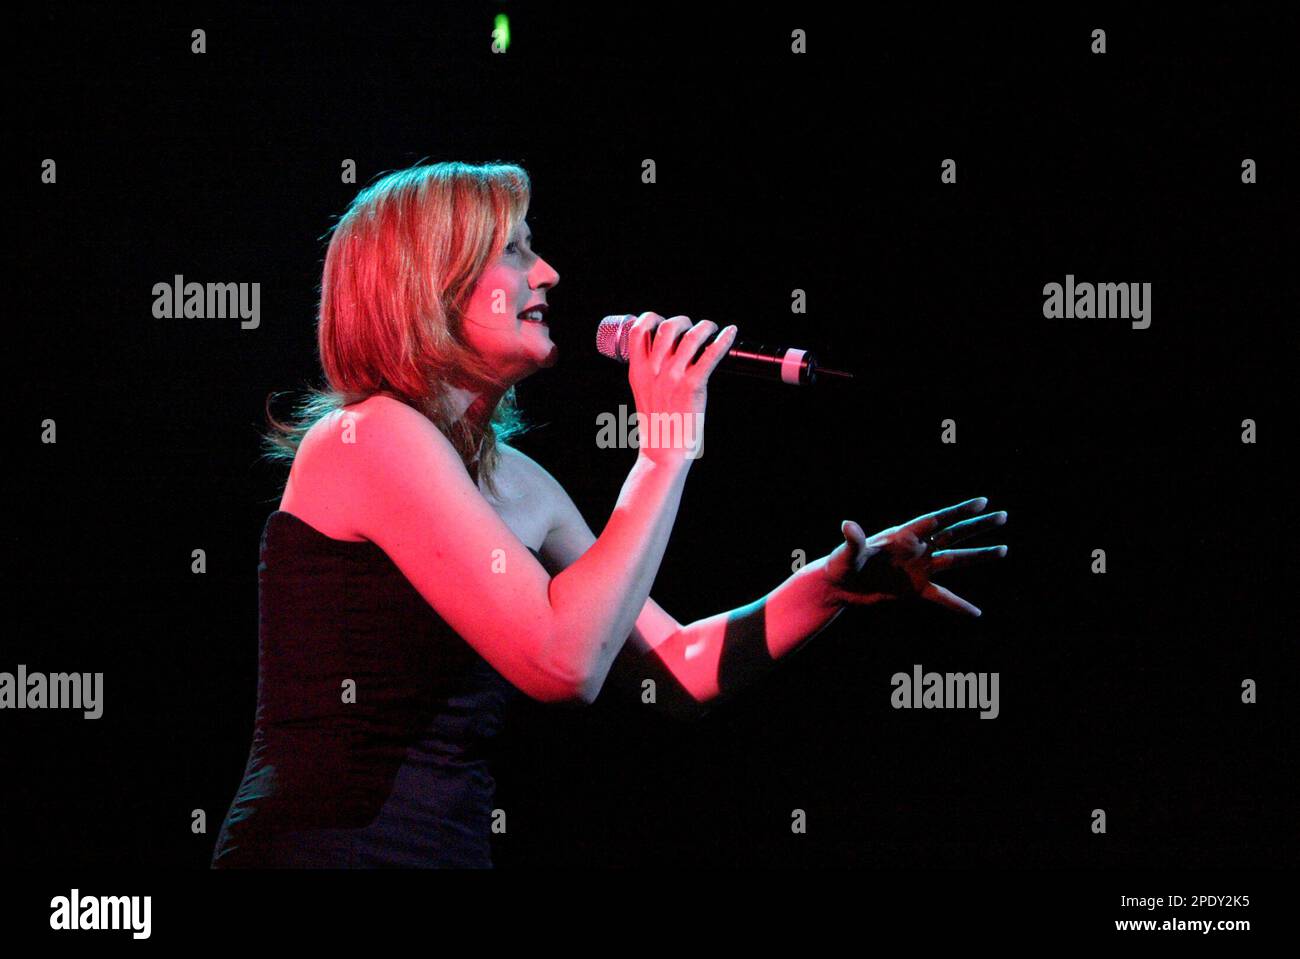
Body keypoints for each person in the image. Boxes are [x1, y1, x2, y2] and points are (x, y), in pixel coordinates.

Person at [210, 159, 1010, 868]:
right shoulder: (367, 436)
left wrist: (829, 590)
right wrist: (664, 446)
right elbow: (563, 662)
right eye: (515, 249)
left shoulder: (522, 484)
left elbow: (677, 669)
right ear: (430, 281)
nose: (549, 271)